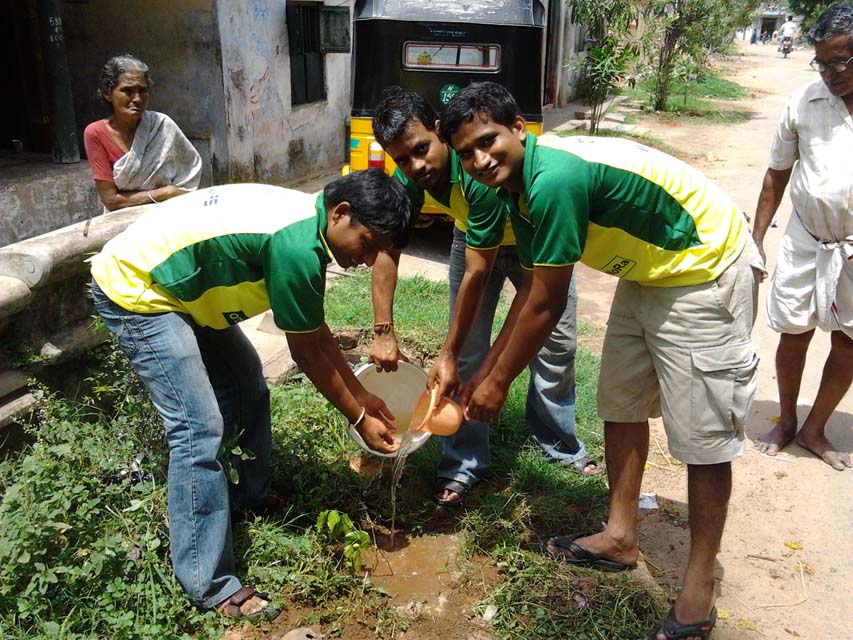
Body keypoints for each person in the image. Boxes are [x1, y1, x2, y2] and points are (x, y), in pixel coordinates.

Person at [439, 82, 763, 640]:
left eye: (488, 141)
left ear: (520, 128)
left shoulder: (554, 180)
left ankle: (699, 586)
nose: (479, 159)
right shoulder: (516, 186)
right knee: (620, 400)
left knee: (702, 437)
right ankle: (619, 535)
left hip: (704, 263)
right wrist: (482, 375)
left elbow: (548, 303)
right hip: (649, 269)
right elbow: (530, 292)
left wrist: (499, 384)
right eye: (466, 152)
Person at [89, 170, 411, 618]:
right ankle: (210, 583)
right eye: (369, 243)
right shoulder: (298, 244)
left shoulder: (313, 226)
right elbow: (306, 353)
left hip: (184, 290)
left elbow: (312, 329)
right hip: (139, 289)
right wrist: (358, 416)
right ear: (342, 213)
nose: (370, 258)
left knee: (246, 384)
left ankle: (249, 497)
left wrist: (361, 394)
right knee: (197, 429)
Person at [368, 88, 597, 507]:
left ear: (439, 132)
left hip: (532, 239)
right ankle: (463, 463)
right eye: (403, 159)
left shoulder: (478, 172)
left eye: (422, 149)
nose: (416, 165)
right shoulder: (409, 179)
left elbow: (480, 270)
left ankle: (556, 442)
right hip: (468, 239)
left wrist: (448, 352)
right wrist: (383, 329)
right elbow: (387, 246)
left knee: (555, 345)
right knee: (470, 351)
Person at [753, 2, 853, 471]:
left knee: (849, 341)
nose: (830, 72)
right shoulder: (803, 102)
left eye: (840, 61)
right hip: (806, 238)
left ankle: (816, 428)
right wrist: (755, 240)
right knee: (794, 332)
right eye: (822, 62)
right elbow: (776, 174)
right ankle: (788, 418)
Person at [83, 54, 201, 211]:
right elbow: (111, 200)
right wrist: (163, 193)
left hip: (170, 212)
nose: (137, 98)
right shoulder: (95, 133)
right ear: (107, 93)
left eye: (142, 91)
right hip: (123, 219)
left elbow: (188, 175)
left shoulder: (162, 126)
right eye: (127, 91)